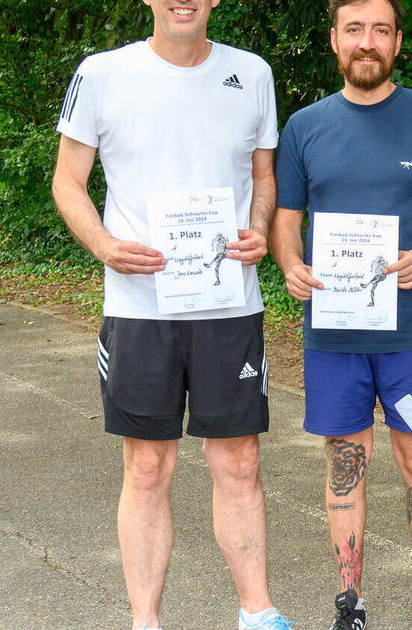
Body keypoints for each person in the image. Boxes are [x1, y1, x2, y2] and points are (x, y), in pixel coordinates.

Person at [50, 1, 292, 628]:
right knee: (148, 464)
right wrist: (104, 246)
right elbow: (67, 181)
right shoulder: (102, 74)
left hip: (227, 303)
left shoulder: (253, 74)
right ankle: (146, 621)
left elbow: (264, 177)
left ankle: (257, 613)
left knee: (238, 461)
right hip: (138, 307)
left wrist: (259, 228)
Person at [269, 0, 412, 628]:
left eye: (381, 30)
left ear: (398, 42)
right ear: (334, 41)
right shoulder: (304, 126)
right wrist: (291, 264)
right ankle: (349, 603)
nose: (368, 42)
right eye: (356, 30)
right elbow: (285, 221)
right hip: (333, 333)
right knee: (346, 464)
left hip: (411, 333)